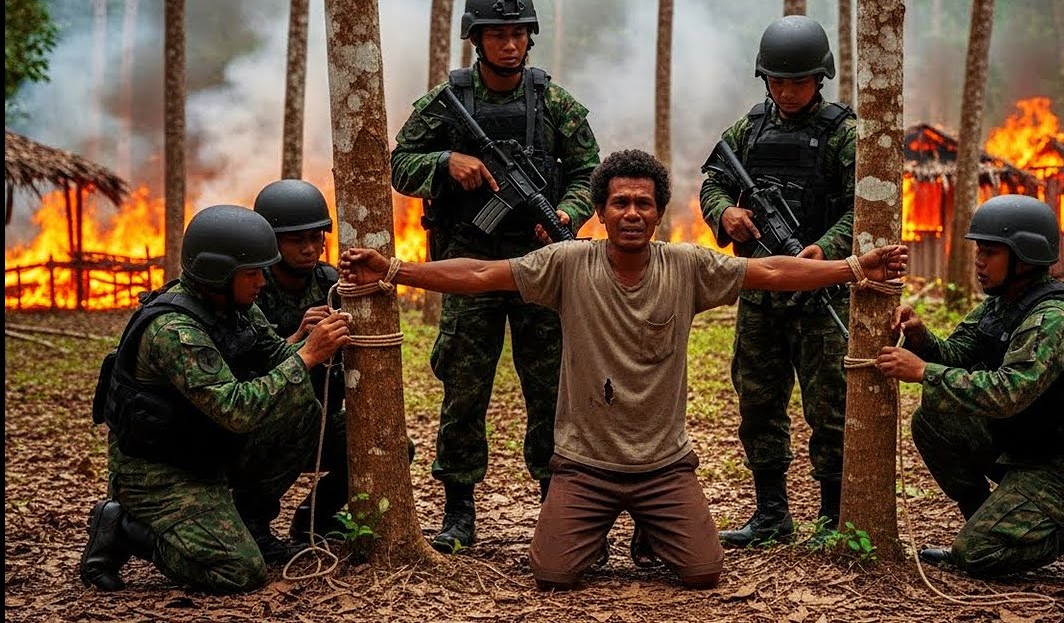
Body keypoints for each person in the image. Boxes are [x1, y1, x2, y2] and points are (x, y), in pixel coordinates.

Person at [340, 149, 909, 590]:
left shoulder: (686, 266)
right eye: (620, 203)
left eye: (643, 203)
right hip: (585, 465)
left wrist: (854, 266)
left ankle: (651, 526)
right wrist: (393, 269)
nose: (632, 213)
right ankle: (605, 526)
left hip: (664, 466)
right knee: (553, 574)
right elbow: (481, 275)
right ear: (602, 211)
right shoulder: (568, 263)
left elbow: (775, 273)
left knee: (704, 573)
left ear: (660, 212)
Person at [388, 0, 601, 555]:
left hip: (540, 266)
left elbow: (591, 172)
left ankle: (557, 503)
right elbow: (398, 164)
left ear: (529, 38)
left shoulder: (553, 102)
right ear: (476, 39)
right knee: (463, 386)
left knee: (550, 389)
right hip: (470, 264)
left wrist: (565, 210)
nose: (508, 45)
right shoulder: (448, 100)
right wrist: (445, 161)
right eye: (496, 34)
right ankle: (458, 509)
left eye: (517, 34)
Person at [79, 205, 352, 593]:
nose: (261, 281)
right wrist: (308, 355)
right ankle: (122, 528)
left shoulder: (237, 307)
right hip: (160, 472)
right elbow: (235, 410)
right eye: (252, 272)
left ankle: (251, 522)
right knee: (239, 572)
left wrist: (315, 343)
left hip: (208, 450)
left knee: (301, 408)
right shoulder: (174, 329)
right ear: (219, 274)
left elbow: (275, 357)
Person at [875, 194, 1064, 586]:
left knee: (976, 555)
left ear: (1024, 257)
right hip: (1030, 445)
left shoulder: (1054, 318)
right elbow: (958, 353)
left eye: (990, 252)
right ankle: (988, 522)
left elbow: (1009, 393)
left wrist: (923, 372)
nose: (979, 260)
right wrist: (920, 337)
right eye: (979, 250)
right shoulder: (1002, 304)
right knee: (933, 420)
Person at [698, 15, 858, 549]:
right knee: (758, 402)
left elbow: (870, 205)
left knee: (829, 407)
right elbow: (714, 182)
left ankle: (833, 516)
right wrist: (726, 216)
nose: (787, 92)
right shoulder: (749, 130)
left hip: (822, 295)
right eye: (777, 81)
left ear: (821, 77)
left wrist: (826, 250)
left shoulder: (844, 134)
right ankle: (771, 514)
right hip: (762, 295)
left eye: (799, 81)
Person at [252, 179, 352, 543]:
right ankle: (254, 525)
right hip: (260, 424)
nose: (310, 249)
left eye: (316, 238)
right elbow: (240, 372)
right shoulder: (251, 285)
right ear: (272, 242)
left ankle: (314, 518)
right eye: (297, 240)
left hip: (318, 419)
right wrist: (297, 339)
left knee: (390, 444)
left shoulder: (332, 283)